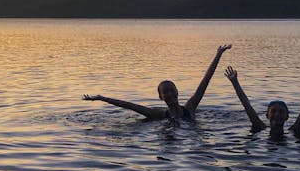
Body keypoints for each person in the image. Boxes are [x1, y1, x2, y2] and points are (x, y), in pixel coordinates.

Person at [83, 44, 232, 120]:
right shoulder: (159, 115)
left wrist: (218, 54)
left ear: (177, 92)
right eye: (165, 92)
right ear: (161, 97)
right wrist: (101, 98)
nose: (169, 93)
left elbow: (206, 79)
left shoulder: (190, 108)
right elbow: (129, 105)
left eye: (171, 90)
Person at [224, 66, 300, 138]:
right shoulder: (260, 127)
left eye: (281, 112)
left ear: (287, 116)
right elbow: (247, 106)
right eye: (274, 111)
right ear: (267, 115)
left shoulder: (295, 130)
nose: (277, 114)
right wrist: (235, 82)